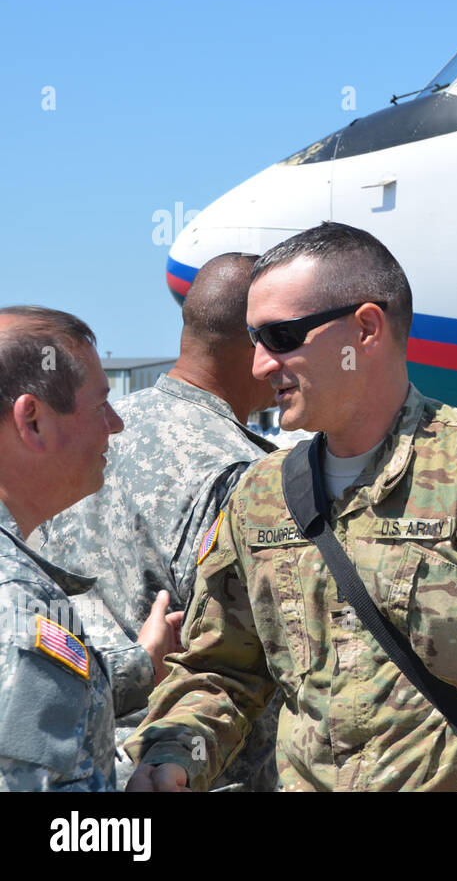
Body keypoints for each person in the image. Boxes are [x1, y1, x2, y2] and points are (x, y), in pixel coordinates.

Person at [125, 223, 457, 792]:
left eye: (283, 336)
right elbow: (224, 670)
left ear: (365, 329)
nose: (260, 365)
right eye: (255, 340)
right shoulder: (259, 496)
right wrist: (172, 756)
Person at [37, 254, 281, 791]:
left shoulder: (96, 430)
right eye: (278, 339)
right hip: (191, 771)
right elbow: (245, 657)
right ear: (252, 344)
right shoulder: (242, 473)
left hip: (77, 760)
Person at [0, 306, 177, 790]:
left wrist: (139, 665)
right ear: (32, 421)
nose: (116, 424)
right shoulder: (17, 605)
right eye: (100, 406)